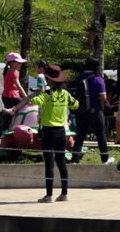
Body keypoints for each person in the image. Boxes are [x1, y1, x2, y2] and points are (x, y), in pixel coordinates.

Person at [13, 63, 78, 202]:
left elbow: (32, 102)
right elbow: (75, 104)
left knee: (49, 163)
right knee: (61, 163)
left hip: (48, 132)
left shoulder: (46, 94)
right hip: (62, 132)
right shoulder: (66, 94)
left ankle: (49, 195)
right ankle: (64, 193)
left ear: (49, 80)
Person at [70, 57, 112, 165]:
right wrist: (106, 102)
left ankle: (75, 159)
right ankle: (105, 159)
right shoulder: (98, 79)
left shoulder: (79, 78)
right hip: (95, 112)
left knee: (80, 136)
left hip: (81, 112)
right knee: (101, 135)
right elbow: (103, 97)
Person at [2, 52, 27, 118]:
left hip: (5, 96)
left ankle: (7, 127)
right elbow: (19, 87)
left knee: (8, 118)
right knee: (26, 105)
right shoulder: (13, 73)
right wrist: (26, 98)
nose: (21, 64)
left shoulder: (7, 71)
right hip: (13, 96)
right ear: (12, 63)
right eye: (19, 63)